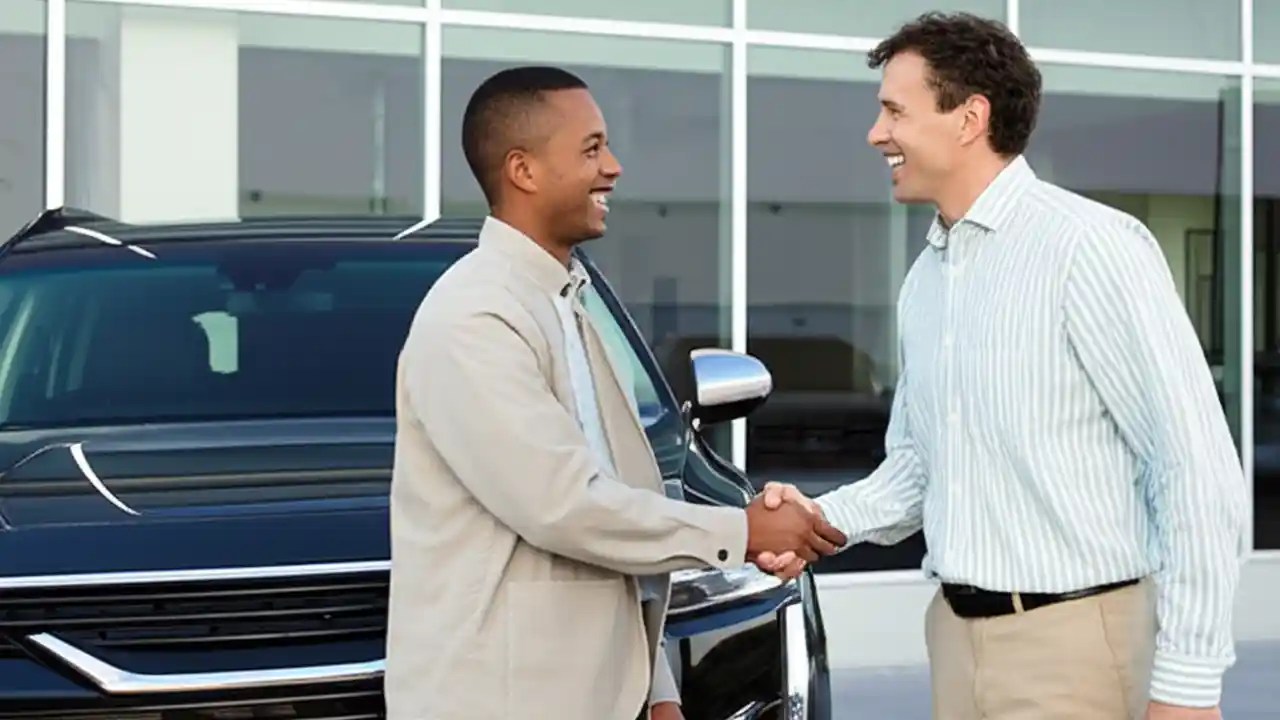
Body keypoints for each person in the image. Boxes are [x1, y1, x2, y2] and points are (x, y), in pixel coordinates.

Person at [756, 12, 1249, 720]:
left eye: (894, 110)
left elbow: (1194, 471)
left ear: (969, 117)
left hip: (1076, 649)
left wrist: (1190, 685)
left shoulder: (1090, 249)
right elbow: (919, 469)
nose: (876, 133)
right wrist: (818, 519)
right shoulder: (929, 276)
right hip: (955, 641)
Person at [383, 65, 846, 720]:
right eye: (592, 149)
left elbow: (618, 513)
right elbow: (567, 506)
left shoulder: (567, 304)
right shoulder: (477, 315)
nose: (615, 168)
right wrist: (743, 529)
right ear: (524, 170)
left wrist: (654, 690)